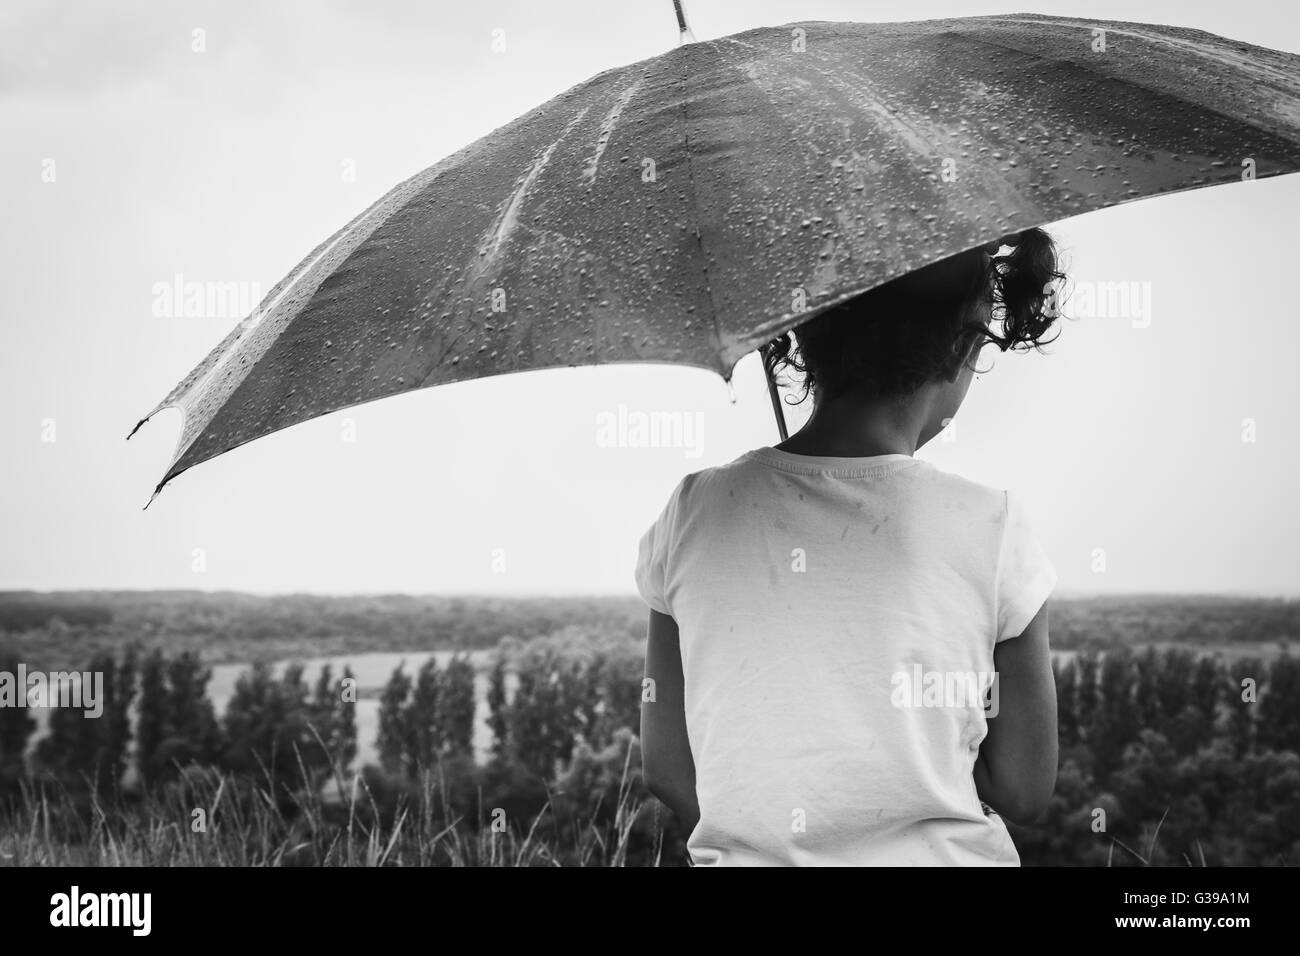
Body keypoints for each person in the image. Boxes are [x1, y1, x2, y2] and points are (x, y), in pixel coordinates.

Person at [635, 229, 1064, 865]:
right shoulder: (991, 524)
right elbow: (1025, 789)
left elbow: (669, 766)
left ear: (799, 337)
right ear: (962, 345)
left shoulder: (694, 512)